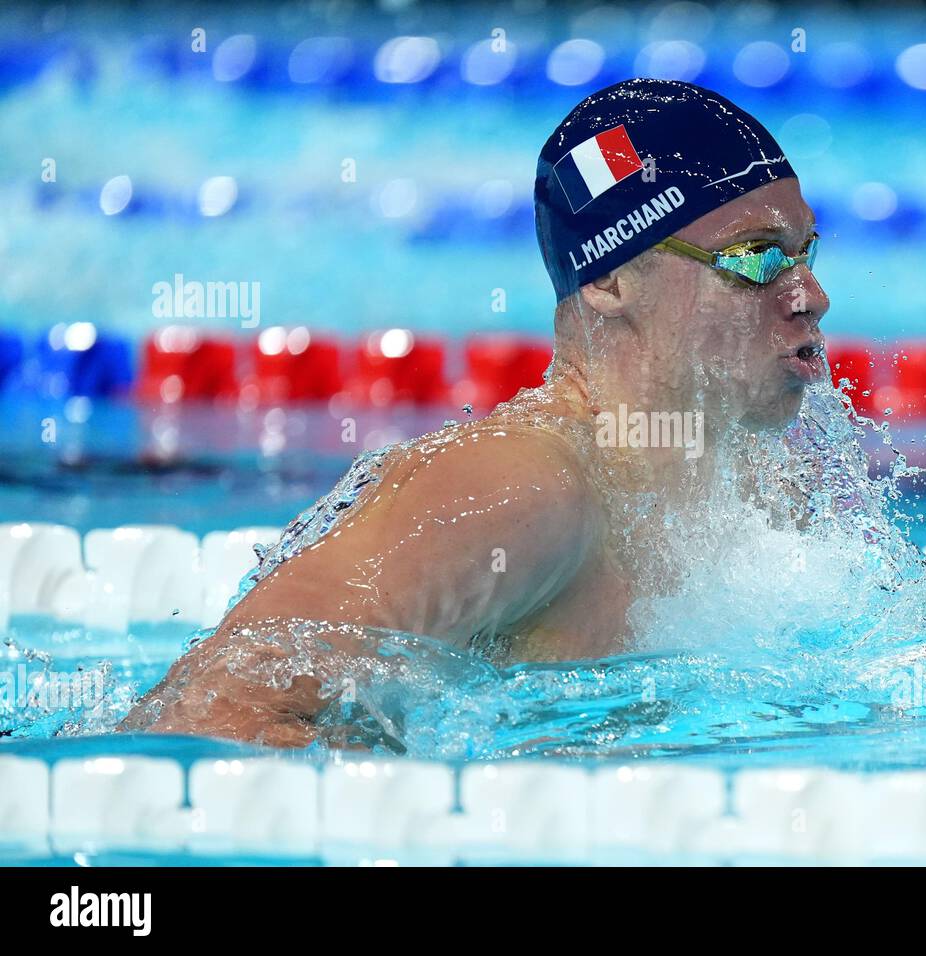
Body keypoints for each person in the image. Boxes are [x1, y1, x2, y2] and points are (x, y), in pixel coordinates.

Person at [121, 78, 829, 746]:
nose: (810, 295)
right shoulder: (522, 488)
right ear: (611, 280)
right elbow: (207, 713)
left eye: (806, 252)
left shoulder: (756, 500)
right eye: (757, 259)